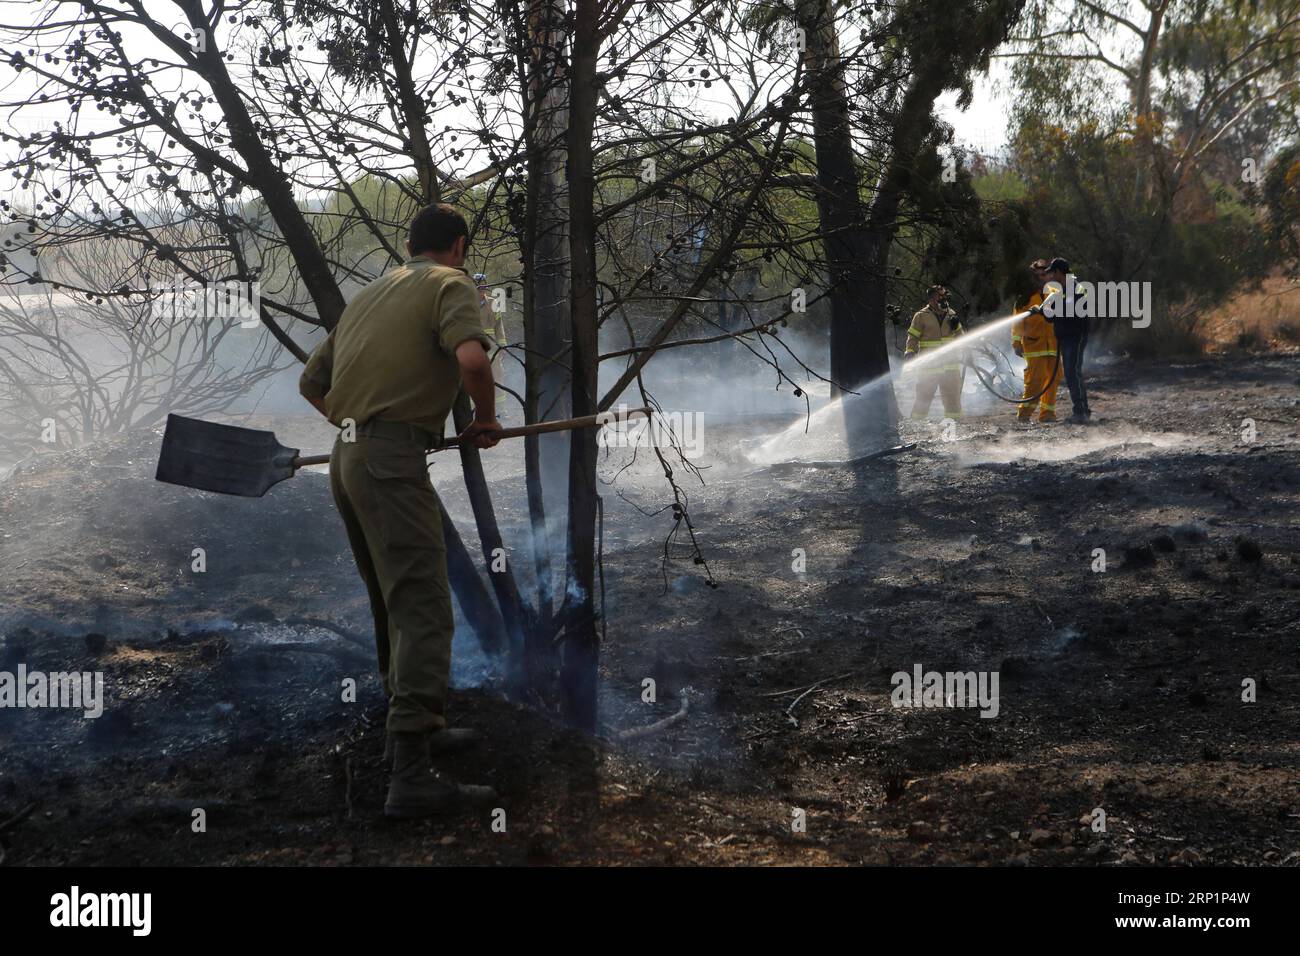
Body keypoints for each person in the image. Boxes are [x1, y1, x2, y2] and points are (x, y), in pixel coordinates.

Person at [299, 203, 502, 818]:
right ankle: (411, 776)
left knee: (393, 599)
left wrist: (361, 423)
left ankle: (417, 725)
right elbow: (471, 359)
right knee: (423, 605)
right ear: (459, 246)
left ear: (410, 243)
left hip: (348, 460)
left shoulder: (369, 295)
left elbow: (313, 383)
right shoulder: (450, 285)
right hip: (388, 464)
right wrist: (486, 419)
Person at [1036, 256, 1091, 422]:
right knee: (1070, 373)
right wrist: (1043, 309)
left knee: (1073, 372)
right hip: (1066, 338)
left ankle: (1081, 412)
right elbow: (1052, 316)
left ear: (1059, 272)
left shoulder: (1077, 288)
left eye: (1052, 273)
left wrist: (1050, 309)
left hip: (1075, 336)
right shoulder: (1062, 291)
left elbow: (1072, 312)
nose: (1051, 277)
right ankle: (1081, 411)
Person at [1010, 259, 1062, 423]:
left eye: (1045, 274)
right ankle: (1024, 415)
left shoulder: (1055, 293)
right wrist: (1017, 342)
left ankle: (1047, 415)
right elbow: (1017, 322)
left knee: (1053, 380)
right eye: (1038, 275)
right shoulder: (1025, 298)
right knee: (1035, 382)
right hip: (1034, 345)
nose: (1042, 277)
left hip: (1053, 344)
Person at [904, 284, 965, 420]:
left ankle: (954, 427)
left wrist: (957, 327)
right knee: (923, 398)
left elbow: (961, 338)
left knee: (953, 399)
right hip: (929, 367)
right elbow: (913, 336)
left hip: (950, 366)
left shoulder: (951, 314)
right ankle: (916, 426)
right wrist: (910, 351)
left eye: (945, 297)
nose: (944, 300)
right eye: (940, 297)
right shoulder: (921, 316)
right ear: (931, 300)